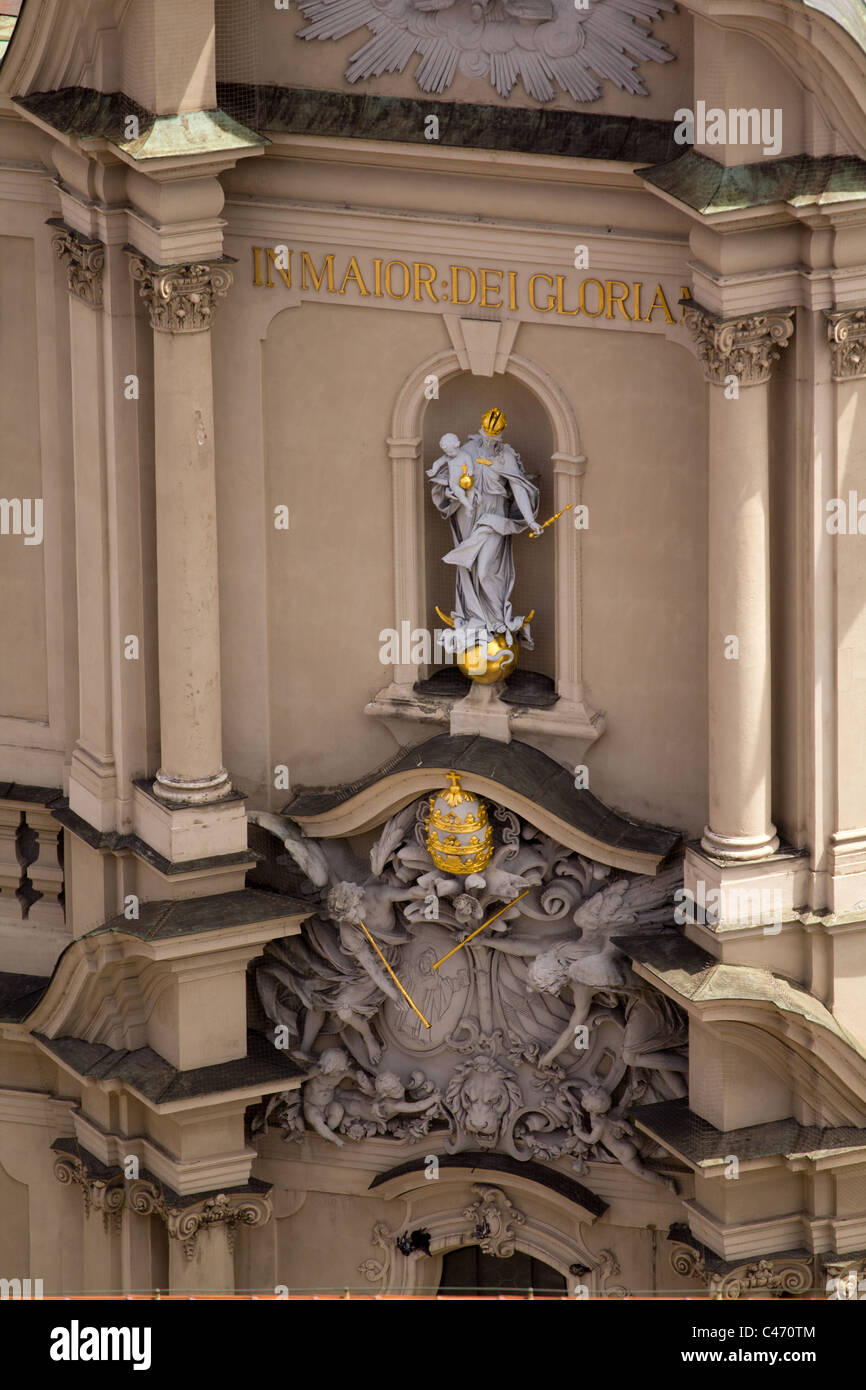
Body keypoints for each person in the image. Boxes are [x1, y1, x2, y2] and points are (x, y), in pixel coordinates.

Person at [427, 409, 542, 652]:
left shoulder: (506, 456)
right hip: (468, 512)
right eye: (486, 436)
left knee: (485, 569)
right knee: (468, 564)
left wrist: (530, 520)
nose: (489, 441)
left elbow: (519, 489)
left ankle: (496, 620)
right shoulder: (468, 449)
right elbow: (451, 473)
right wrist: (450, 489)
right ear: (481, 432)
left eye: (494, 438)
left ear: (500, 436)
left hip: (494, 515)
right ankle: (475, 619)